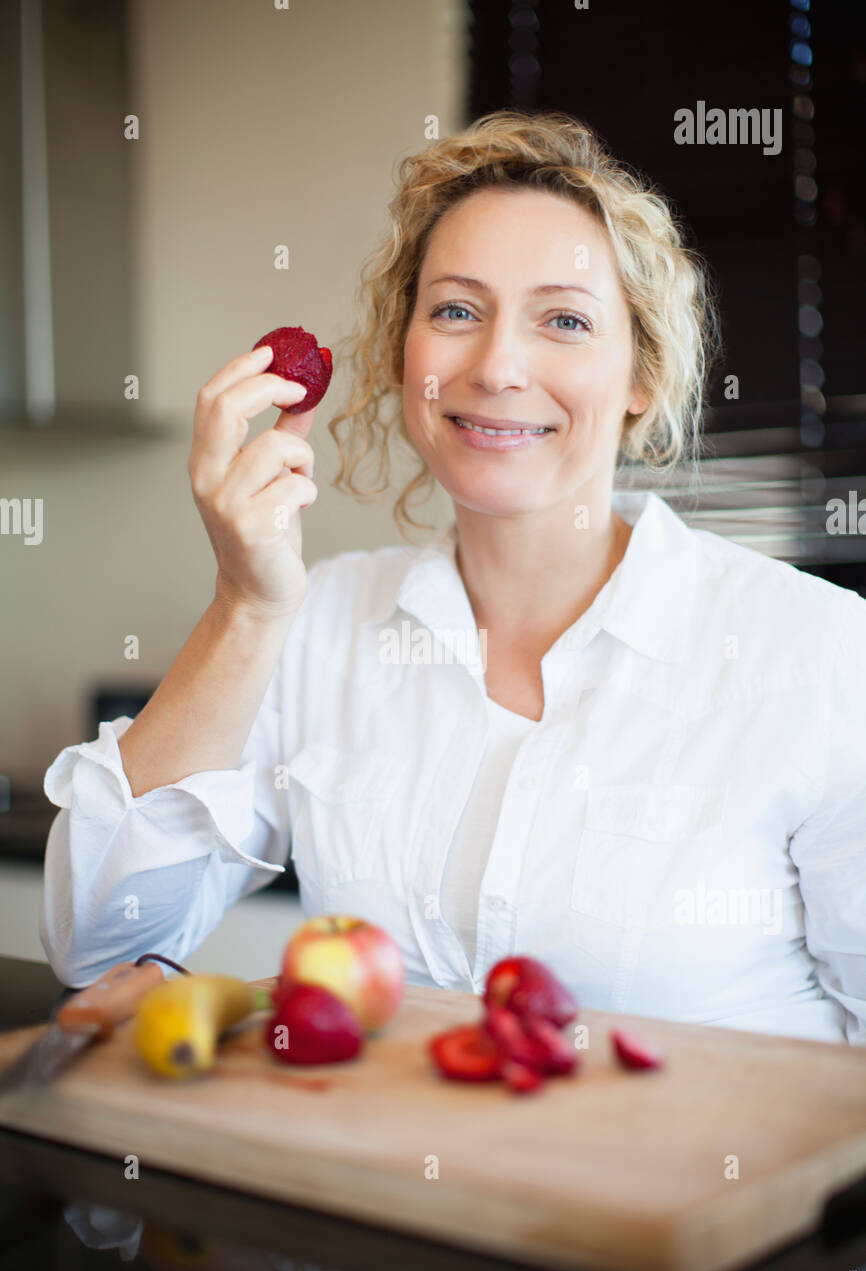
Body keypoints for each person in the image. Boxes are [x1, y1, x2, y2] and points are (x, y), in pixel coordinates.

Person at [41, 110, 866, 1045]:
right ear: (406, 353)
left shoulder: (818, 651)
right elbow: (100, 946)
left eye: (564, 319)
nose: (498, 365)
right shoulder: (322, 625)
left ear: (641, 373)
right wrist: (246, 602)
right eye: (457, 312)